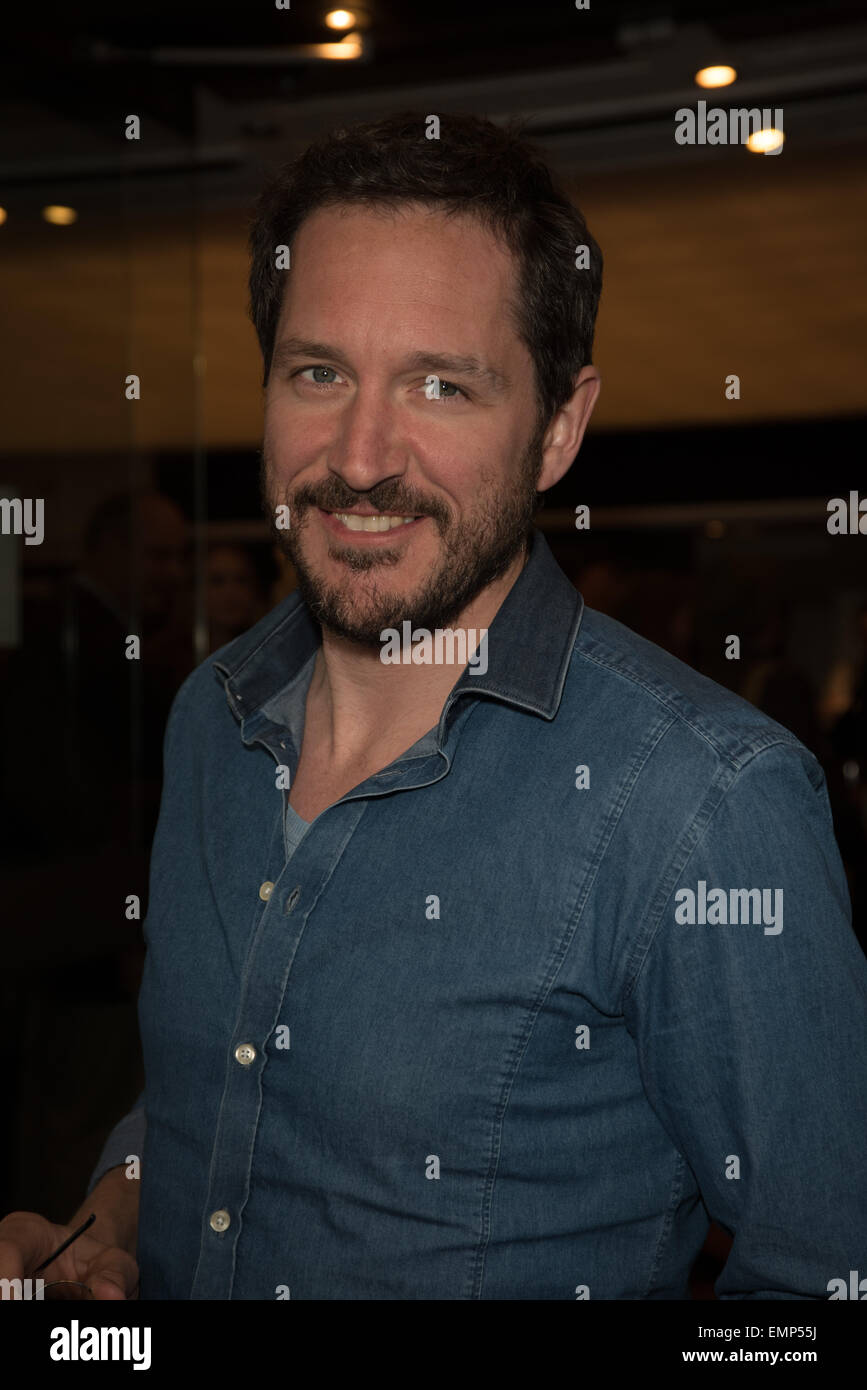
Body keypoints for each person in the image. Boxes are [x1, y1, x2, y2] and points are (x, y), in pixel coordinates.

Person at [2, 110, 865, 1302]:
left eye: (441, 385)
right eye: (319, 372)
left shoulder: (705, 801)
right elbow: (217, 1088)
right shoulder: (212, 715)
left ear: (559, 426)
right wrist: (108, 1219)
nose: (360, 458)